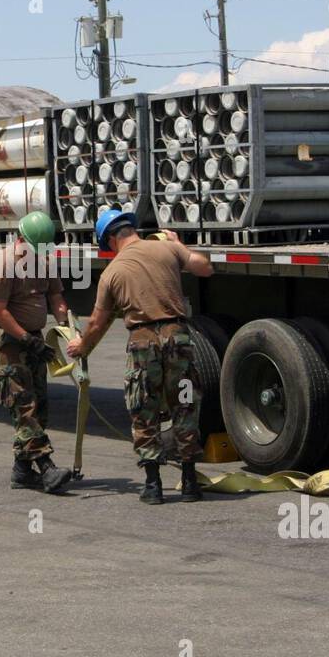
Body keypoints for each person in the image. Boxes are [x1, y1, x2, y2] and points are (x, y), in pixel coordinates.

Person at [67, 210, 213, 505]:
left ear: (109, 240)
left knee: (144, 410)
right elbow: (205, 268)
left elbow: (97, 322)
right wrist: (178, 243)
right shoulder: (167, 248)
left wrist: (81, 346)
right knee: (184, 404)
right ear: (132, 228)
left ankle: (153, 485)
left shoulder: (111, 273)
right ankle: (189, 483)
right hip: (178, 339)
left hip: (143, 345)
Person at [0, 211, 74, 494]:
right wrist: (25, 338)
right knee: (23, 407)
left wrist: (66, 327)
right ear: (20, 237)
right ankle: (46, 468)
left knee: (39, 403)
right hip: (10, 343)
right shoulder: (4, 263)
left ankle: (22, 471)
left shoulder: (45, 262)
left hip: (33, 341)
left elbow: (56, 297)